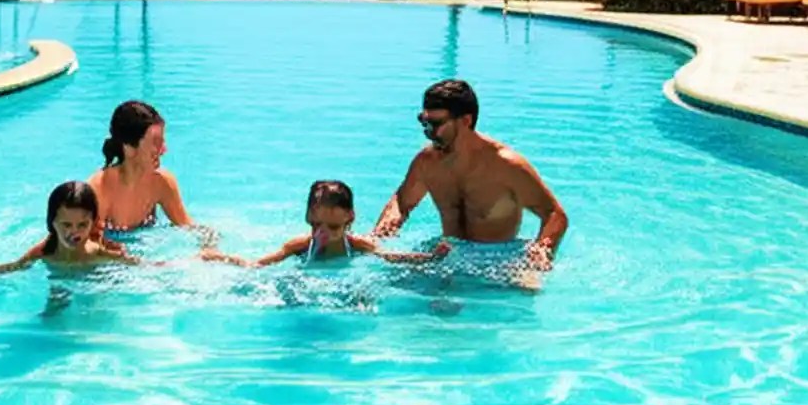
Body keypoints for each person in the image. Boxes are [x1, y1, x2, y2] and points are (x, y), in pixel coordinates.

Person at [371, 80, 568, 271]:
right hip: (446, 257)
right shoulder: (427, 163)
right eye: (425, 122)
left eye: (436, 123)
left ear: (466, 121)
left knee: (526, 291)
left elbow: (554, 214)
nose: (429, 132)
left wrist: (542, 250)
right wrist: (383, 231)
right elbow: (402, 202)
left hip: (499, 263)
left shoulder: (506, 166)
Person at [201, 180, 451, 267]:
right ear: (308, 219)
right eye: (316, 225)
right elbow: (255, 265)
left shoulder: (357, 245)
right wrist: (215, 255)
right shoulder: (298, 246)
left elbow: (391, 257)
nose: (323, 233)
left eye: (333, 228)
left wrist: (429, 257)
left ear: (349, 219)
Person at [87, 101, 198, 243]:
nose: (164, 150)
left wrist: (210, 246)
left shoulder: (162, 182)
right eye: (156, 143)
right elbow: (89, 246)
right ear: (129, 147)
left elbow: (187, 226)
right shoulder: (98, 189)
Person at [0, 181, 134, 281]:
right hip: (59, 277)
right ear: (52, 222)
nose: (74, 232)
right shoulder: (43, 251)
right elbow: (16, 266)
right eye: (66, 225)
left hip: (90, 275)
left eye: (82, 225)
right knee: (53, 309)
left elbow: (130, 262)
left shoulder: (97, 251)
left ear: (93, 223)